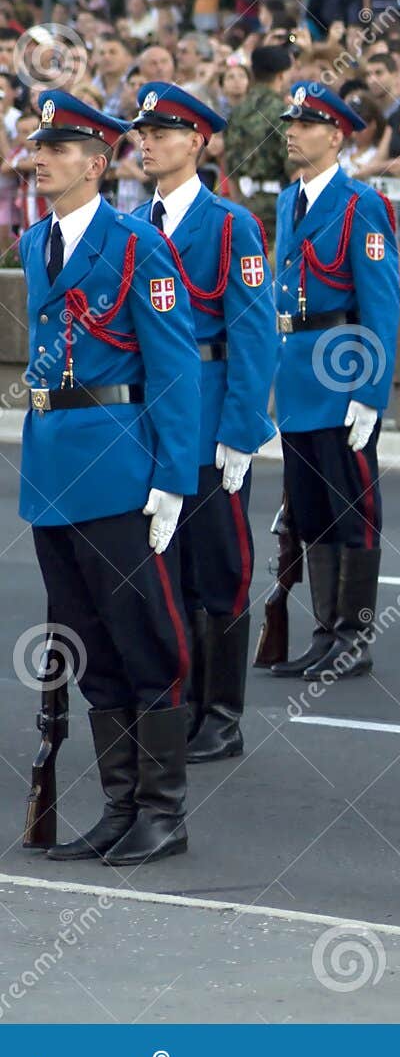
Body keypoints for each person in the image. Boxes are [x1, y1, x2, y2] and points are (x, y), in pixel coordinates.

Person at [22, 90, 200, 866]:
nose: (39, 158)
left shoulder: (136, 246)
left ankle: (162, 811)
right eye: (37, 146)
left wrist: (170, 477)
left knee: (143, 638)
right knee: (87, 643)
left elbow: (173, 365)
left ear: (96, 164)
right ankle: (119, 804)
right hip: (53, 460)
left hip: (118, 459)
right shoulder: (35, 244)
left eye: (57, 149)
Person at [131, 83, 278, 765]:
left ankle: (222, 713)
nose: (147, 141)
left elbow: (252, 334)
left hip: (212, 408)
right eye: (142, 132)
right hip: (150, 418)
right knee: (165, 565)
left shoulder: (229, 226)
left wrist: (241, 430)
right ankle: (180, 700)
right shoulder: (134, 224)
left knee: (218, 566)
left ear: (196, 141)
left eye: (162, 132)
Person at [267, 82, 400, 685]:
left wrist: (370, 393)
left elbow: (380, 305)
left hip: (341, 369)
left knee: (352, 513)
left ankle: (355, 635)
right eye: (290, 120)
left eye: (305, 123)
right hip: (298, 375)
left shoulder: (359, 204)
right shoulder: (288, 200)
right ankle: (326, 630)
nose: (291, 130)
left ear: (336, 135)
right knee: (312, 513)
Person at [225, 46, 294, 252]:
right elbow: (293, 162)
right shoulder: (282, 112)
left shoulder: (238, 110)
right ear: (281, 75)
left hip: (243, 201)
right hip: (276, 203)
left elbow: (228, 161)